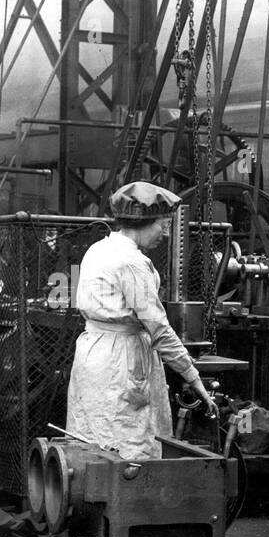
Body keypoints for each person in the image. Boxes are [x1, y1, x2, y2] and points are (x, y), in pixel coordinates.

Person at [67, 181, 215, 461]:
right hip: (120, 359)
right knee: (128, 448)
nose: (165, 232)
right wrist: (193, 377)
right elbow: (159, 329)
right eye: (162, 224)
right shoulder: (131, 262)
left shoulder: (97, 250)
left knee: (93, 442)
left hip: (93, 353)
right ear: (144, 222)